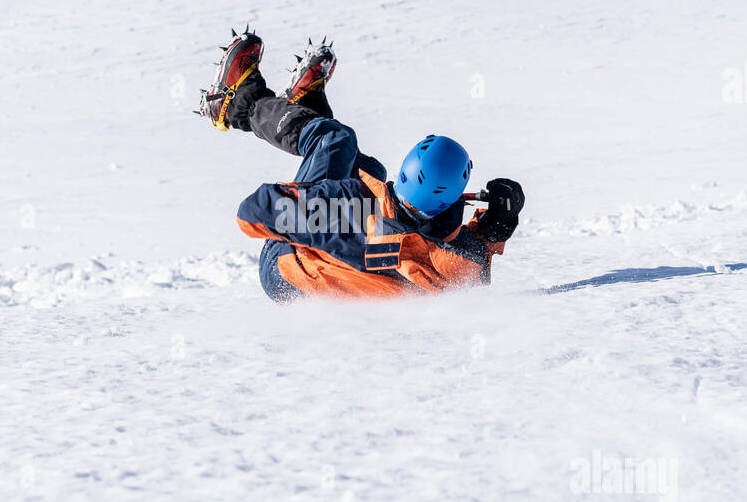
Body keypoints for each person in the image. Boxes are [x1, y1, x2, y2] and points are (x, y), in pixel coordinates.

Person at [199, 29, 525, 301]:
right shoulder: (442, 254)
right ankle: (303, 109)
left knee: (333, 140)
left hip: (285, 267)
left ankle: (235, 103)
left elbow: (251, 212)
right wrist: (499, 221)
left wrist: (309, 201)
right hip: (318, 291)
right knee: (369, 169)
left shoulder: (351, 211)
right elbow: (472, 273)